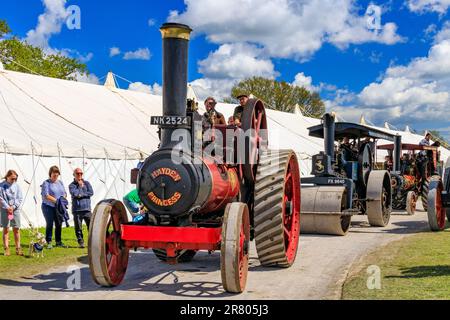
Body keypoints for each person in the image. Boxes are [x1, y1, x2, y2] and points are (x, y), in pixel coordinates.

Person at [41, 166, 67, 249]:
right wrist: (57, 201)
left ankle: (58, 241)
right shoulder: (46, 183)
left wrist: (63, 199)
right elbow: (46, 195)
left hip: (58, 207)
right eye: (54, 173)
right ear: (50, 174)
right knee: (50, 224)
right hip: (48, 207)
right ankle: (49, 242)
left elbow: (65, 193)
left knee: (59, 223)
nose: (55, 175)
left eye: (57, 173)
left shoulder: (60, 182)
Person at [0, 170, 23, 256]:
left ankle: (18, 248)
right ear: (7, 177)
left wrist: (13, 207)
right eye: (12, 178)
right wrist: (7, 207)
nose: (14, 180)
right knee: (6, 229)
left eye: (15, 179)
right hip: (4, 209)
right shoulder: (1, 186)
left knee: (16, 229)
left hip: (15, 209)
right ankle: (6, 249)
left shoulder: (17, 186)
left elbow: (19, 198)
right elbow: (0, 198)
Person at [69, 168, 93, 248]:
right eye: (78, 173)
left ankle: (92, 242)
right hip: (77, 210)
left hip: (87, 209)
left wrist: (81, 194)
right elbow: (75, 194)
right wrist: (80, 186)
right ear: (74, 175)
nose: (80, 175)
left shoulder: (87, 183)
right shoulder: (72, 185)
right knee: (78, 228)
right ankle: (81, 242)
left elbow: (91, 192)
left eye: (81, 173)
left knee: (91, 227)